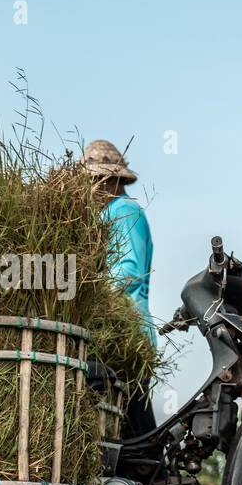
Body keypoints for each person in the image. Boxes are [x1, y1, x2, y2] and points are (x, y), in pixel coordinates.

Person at [80, 139, 157, 437]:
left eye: (94, 181)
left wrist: (90, 298)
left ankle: (156, 479)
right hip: (113, 331)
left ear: (108, 180)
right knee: (127, 426)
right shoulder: (103, 216)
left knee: (133, 427)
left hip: (125, 332)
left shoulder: (124, 211)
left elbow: (128, 271)